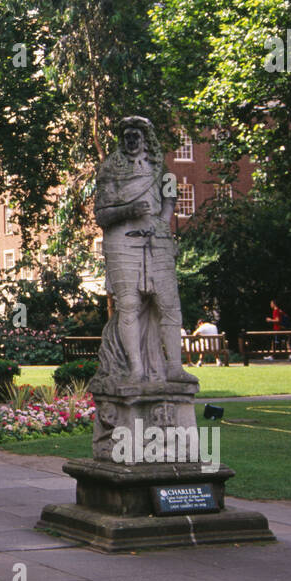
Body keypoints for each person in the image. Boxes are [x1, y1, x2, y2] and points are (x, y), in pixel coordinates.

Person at [93, 116, 196, 384]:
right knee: (128, 305)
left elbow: (171, 193)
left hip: (157, 240)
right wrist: (129, 210)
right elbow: (101, 215)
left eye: (135, 136)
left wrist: (164, 217)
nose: (130, 141)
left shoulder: (161, 168)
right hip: (123, 242)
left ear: (144, 139)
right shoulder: (109, 170)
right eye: (126, 136)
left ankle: (174, 367)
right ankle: (136, 369)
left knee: (169, 305)